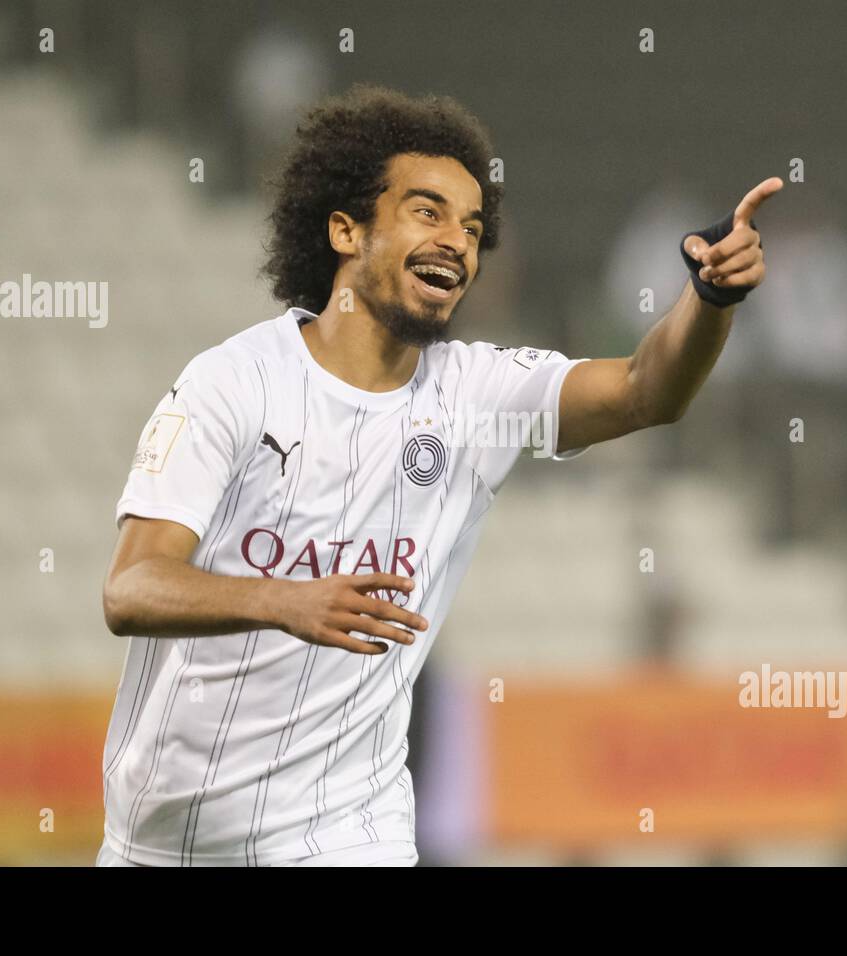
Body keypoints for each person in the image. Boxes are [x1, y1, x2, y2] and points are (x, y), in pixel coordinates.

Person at [96, 83, 777, 866]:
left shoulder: (474, 396)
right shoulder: (232, 384)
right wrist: (282, 599)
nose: (458, 240)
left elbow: (642, 390)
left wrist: (713, 297)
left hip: (349, 835)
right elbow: (131, 589)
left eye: (473, 226)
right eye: (428, 212)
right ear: (345, 229)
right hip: (163, 843)